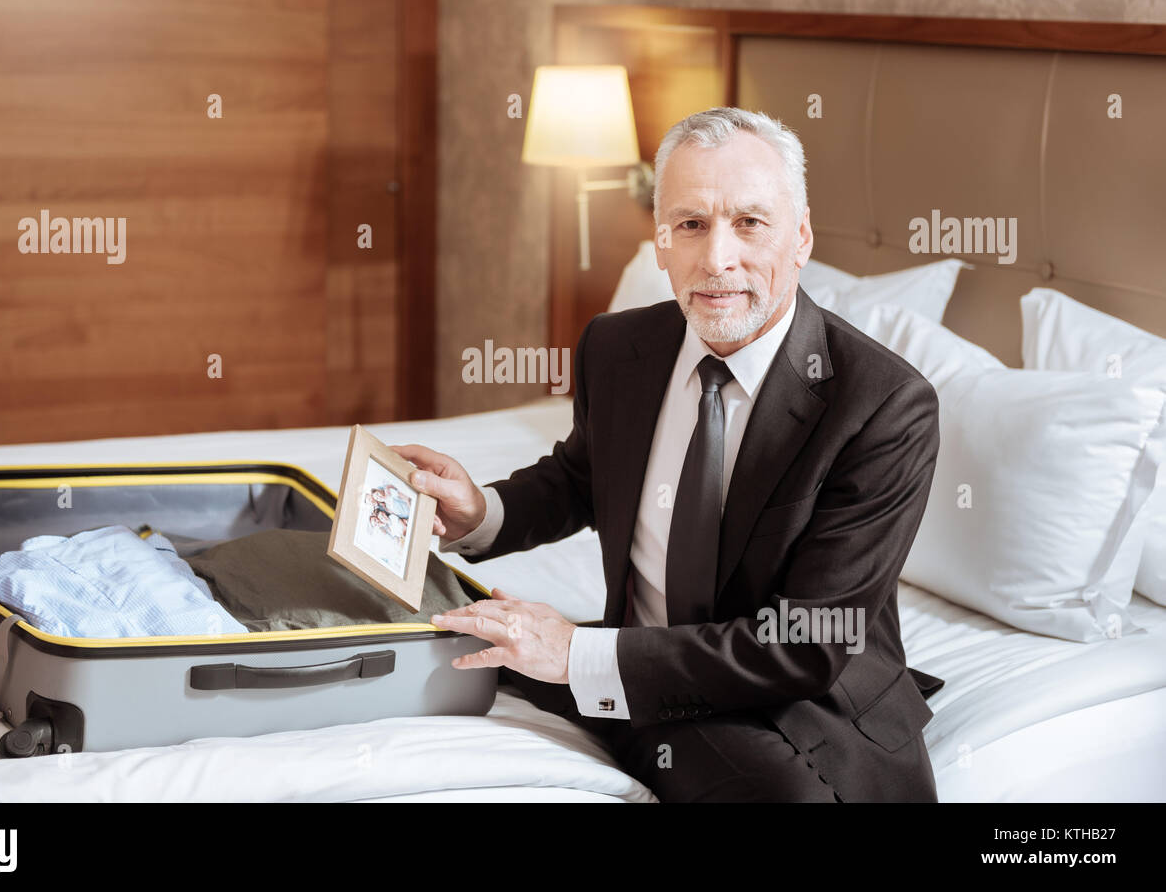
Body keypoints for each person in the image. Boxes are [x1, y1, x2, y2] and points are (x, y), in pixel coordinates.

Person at [392, 106, 943, 802]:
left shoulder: (884, 405)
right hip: (641, 663)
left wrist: (575, 654)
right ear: (660, 242)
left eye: (749, 222)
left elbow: (805, 643)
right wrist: (482, 511)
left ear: (800, 236)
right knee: (430, 644)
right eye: (691, 224)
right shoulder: (618, 348)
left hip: (795, 699)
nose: (717, 259)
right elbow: (585, 475)